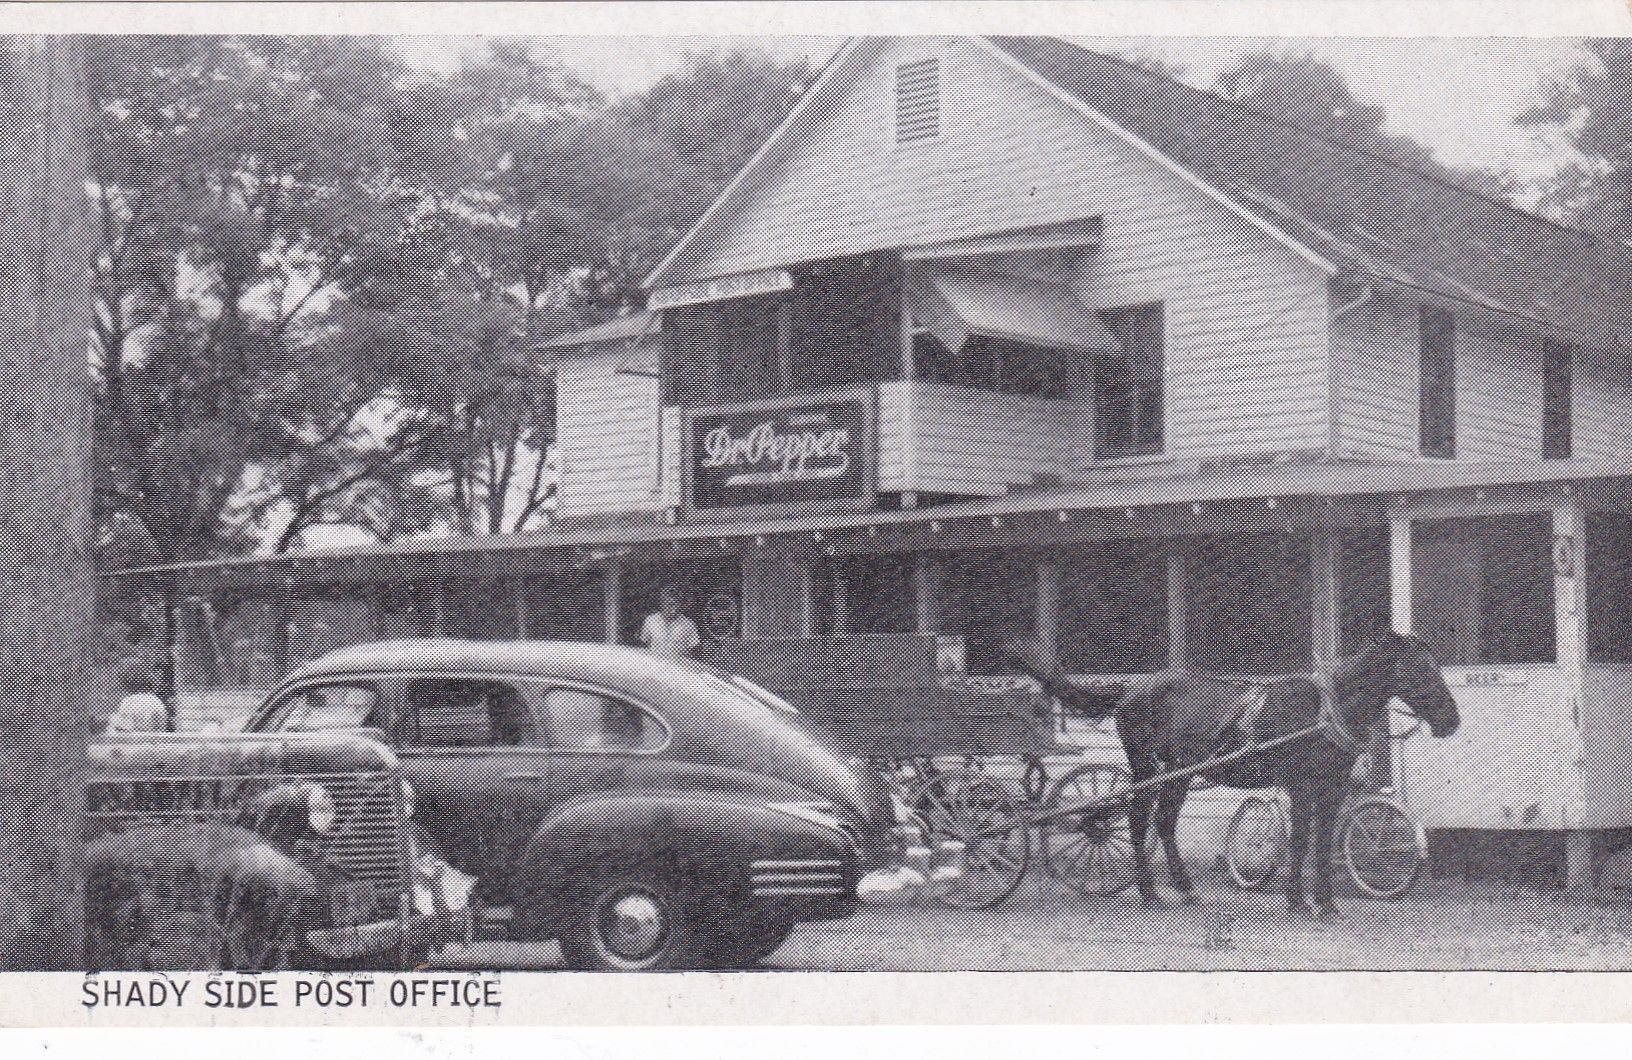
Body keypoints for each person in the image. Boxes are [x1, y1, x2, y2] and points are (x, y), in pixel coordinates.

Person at [105, 657, 172, 734]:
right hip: (154, 742)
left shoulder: (128, 702)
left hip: (134, 742)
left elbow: (123, 730)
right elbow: (161, 727)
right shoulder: (157, 701)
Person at [639, 588, 700, 662]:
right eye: (668, 603)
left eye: (675, 604)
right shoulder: (650, 620)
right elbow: (644, 645)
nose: (671, 608)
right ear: (661, 604)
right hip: (654, 666)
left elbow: (692, 652)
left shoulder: (689, 624)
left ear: (680, 605)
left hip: (676, 668)